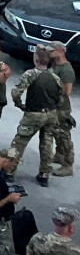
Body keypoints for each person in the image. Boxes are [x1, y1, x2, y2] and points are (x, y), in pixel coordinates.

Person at [15, 46, 65, 186]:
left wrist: (19, 104)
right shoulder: (55, 77)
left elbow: (16, 92)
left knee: (20, 142)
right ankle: (44, 174)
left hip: (33, 114)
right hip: (50, 115)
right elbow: (61, 98)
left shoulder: (31, 74)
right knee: (47, 144)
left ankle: (9, 171)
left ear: (36, 60)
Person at [48, 42, 75, 177]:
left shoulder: (67, 70)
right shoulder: (55, 64)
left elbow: (68, 91)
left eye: (52, 51)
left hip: (62, 108)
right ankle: (58, 156)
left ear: (60, 51)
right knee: (56, 132)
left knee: (64, 136)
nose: (49, 53)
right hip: (54, 105)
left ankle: (68, 165)